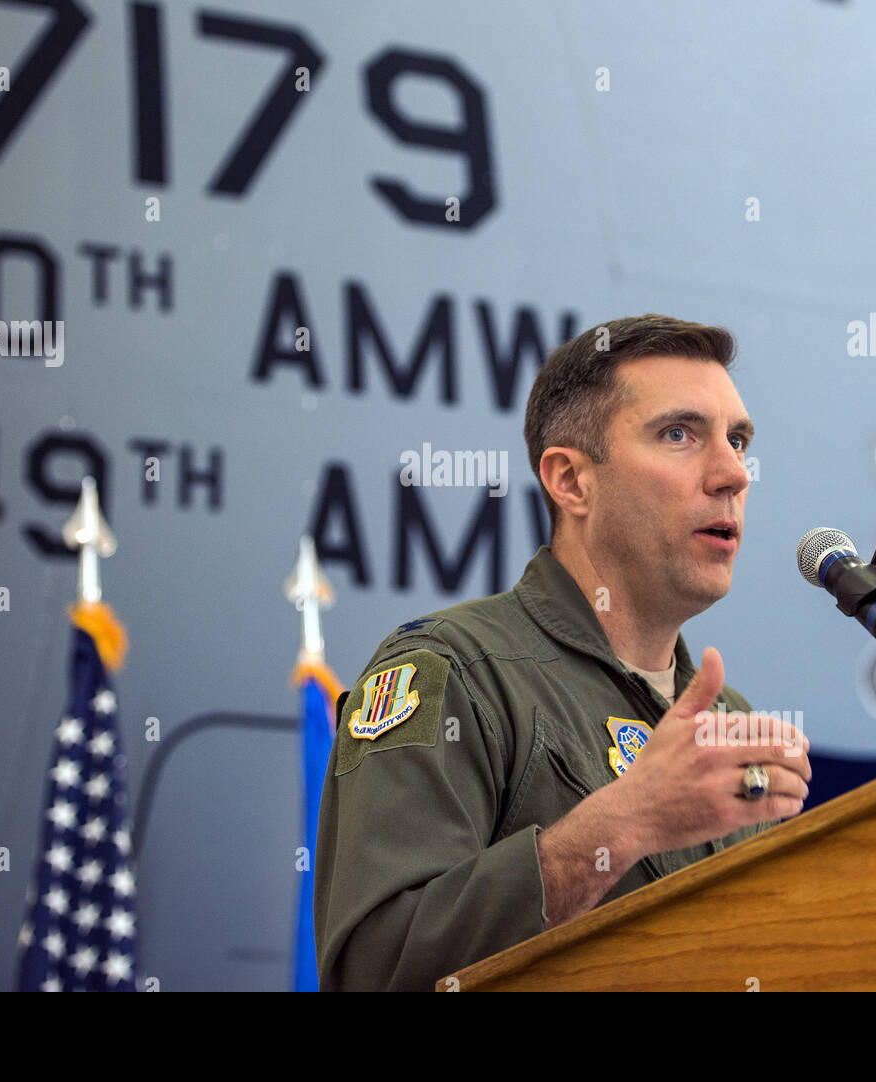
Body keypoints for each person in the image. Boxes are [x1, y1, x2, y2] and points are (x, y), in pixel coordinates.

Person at [313, 314, 811, 992]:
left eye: (738, 439)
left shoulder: (729, 724)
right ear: (571, 482)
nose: (732, 473)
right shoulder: (451, 673)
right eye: (678, 434)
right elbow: (378, 970)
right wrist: (627, 821)